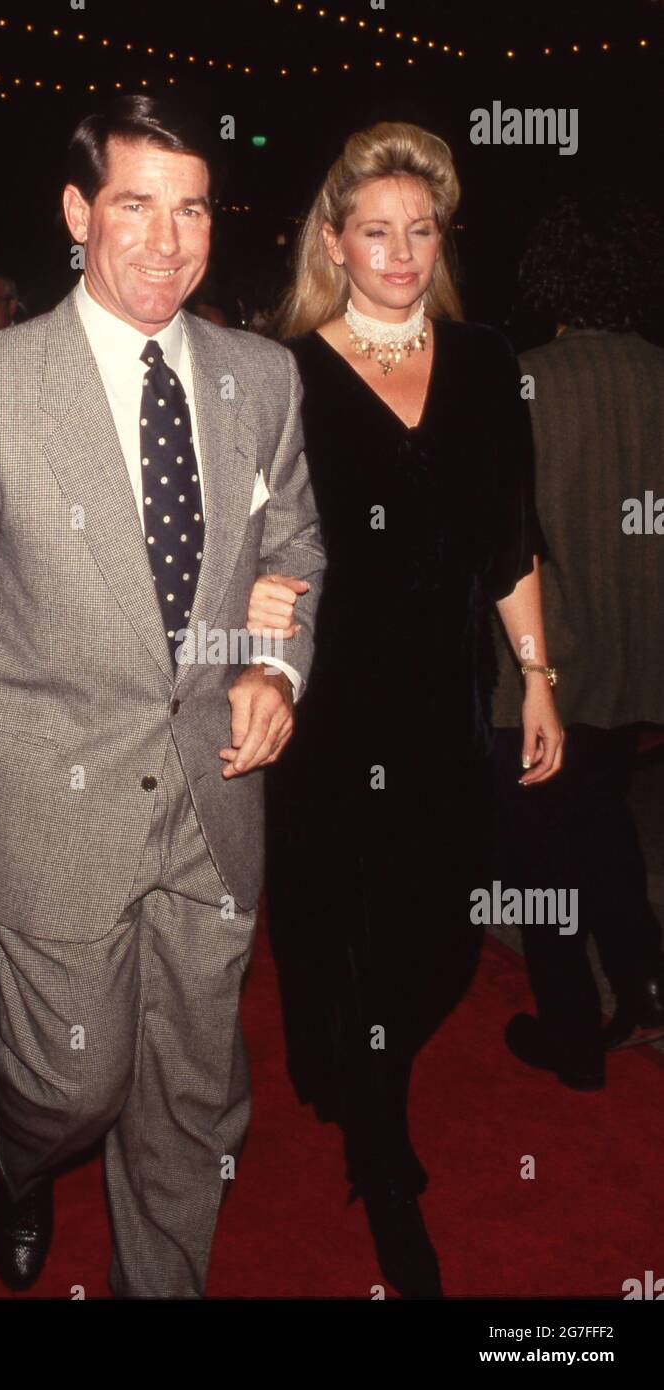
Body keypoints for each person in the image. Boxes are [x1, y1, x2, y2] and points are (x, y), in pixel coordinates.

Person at [0, 95, 325, 1298]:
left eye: (191, 211)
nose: (167, 241)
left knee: (189, 1097)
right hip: (50, 803)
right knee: (73, 1084)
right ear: (79, 214)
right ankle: (23, 1160)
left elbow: (289, 554)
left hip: (213, 801)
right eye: (136, 205)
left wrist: (267, 667)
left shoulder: (259, 379)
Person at [247, 121, 562, 1297]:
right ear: (332, 241)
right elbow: (252, 544)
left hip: (441, 699)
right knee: (350, 922)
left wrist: (535, 676)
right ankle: (381, 1158)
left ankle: (352, 1053)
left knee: (436, 937)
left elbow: (508, 539)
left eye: (418, 230)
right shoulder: (282, 371)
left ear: (440, 240)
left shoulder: (483, 359)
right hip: (328, 707)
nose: (397, 250)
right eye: (373, 230)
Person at [492, 194, 664, 1089]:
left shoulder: (522, 381)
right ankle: (641, 975)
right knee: (602, 819)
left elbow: (503, 536)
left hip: (547, 666)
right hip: (637, 658)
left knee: (539, 856)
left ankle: (568, 1035)